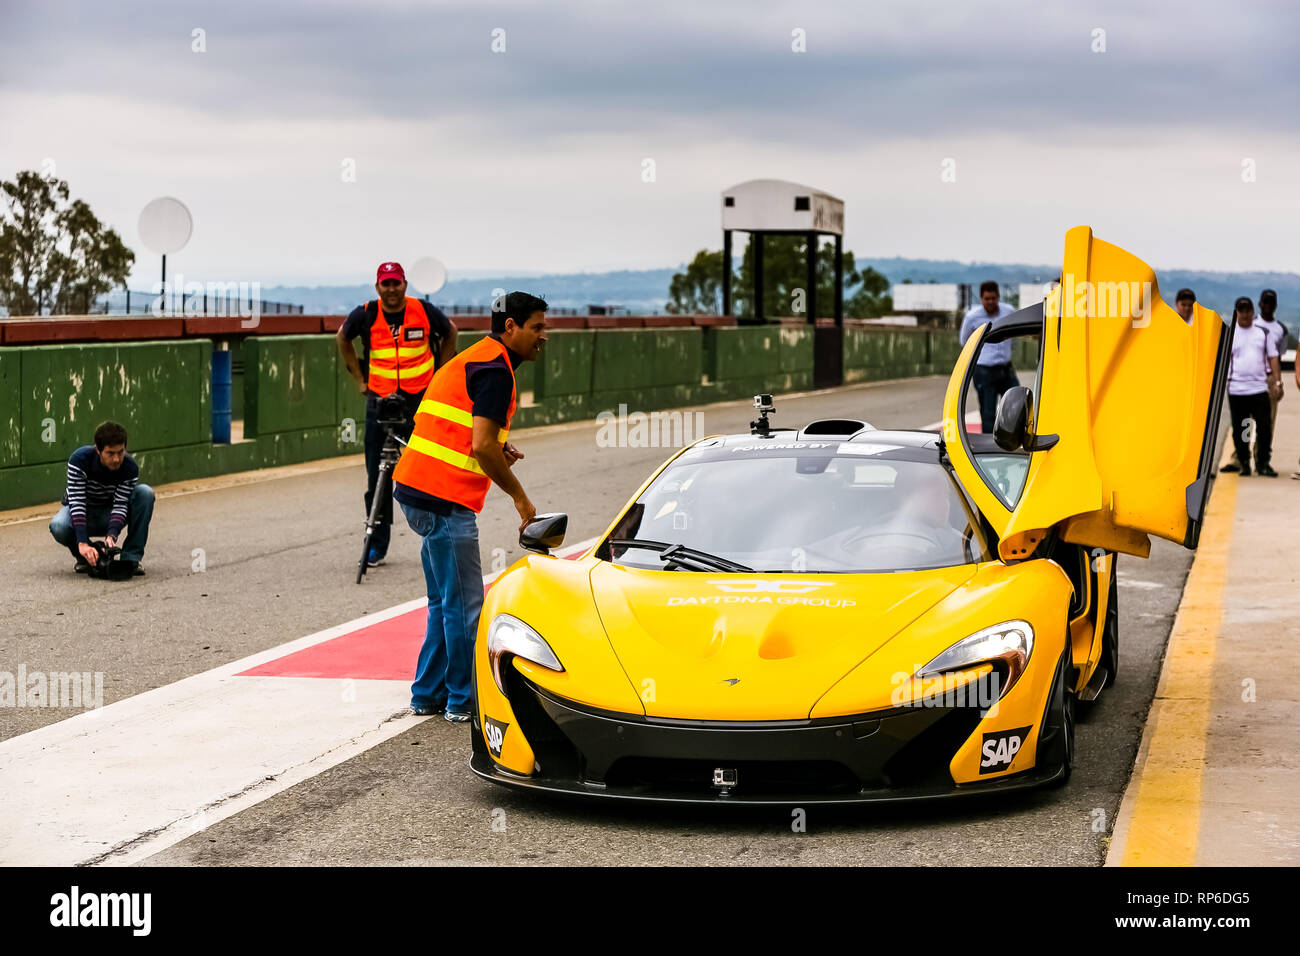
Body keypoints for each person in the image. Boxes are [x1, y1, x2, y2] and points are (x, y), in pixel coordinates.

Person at [392, 291, 548, 721]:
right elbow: (480, 446)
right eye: (536, 327)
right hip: (444, 498)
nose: (543, 337)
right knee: (464, 604)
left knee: (444, 601)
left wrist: (498, 443)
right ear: (511, 328)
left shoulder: (477, 356)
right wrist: (519, 495)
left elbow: (468, 428)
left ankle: (428, 693)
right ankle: (463, 701)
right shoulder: (497, 371)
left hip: (416, 490)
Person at [337, 261, 456, 567]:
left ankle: (440, 537)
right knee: (378, 474)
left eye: (396, 283)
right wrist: (359, 379)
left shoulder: (424, 311)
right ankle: (376, 544)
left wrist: (440, 374)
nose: (391, 289)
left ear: (405, 284)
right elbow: (343, 337)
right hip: (381, 401)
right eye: (386, 284)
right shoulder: (366, 313)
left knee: (428, 470)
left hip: (420, 400)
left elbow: (450, 332)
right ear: (378, 287)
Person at [48, 421, 154, 578]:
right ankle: (88, 557)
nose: (117, 459)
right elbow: (76, 503)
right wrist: (83, 543)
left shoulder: (129, 467)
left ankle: (130, 560)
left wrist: (112, 535)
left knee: (145, 493)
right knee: (58, 525)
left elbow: (120, 505)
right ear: (98, 450)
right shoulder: (80, 460)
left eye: (121, 452)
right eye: (111, 453)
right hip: (83, 515)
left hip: (109, 514)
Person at [1222, 296, 1281, 477]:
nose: (1245, 314)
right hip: (1237, 388)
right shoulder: (1231, 334)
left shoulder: (1262, 333)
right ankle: (1244, 461)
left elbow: (1272, 357)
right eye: (1241, 310)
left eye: (1248, 310)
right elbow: (1224, 360)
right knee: (1241, 429)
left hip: (1258, 387)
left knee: (1264, 427)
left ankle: (1262, 462)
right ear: (1237, 312)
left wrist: (1277, 381)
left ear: (1252, 311)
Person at [959, 281, 1018, 432]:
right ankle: (989, 449)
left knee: (1016, 407)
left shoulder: (1009, 311)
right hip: (984, 371)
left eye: (993, 298)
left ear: (998, 297)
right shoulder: (972, 317)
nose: (990, 302)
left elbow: (1015, 336)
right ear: (981, 299)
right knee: (988, 413)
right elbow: (965, 342)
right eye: (987, 299)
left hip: (1006, 369)